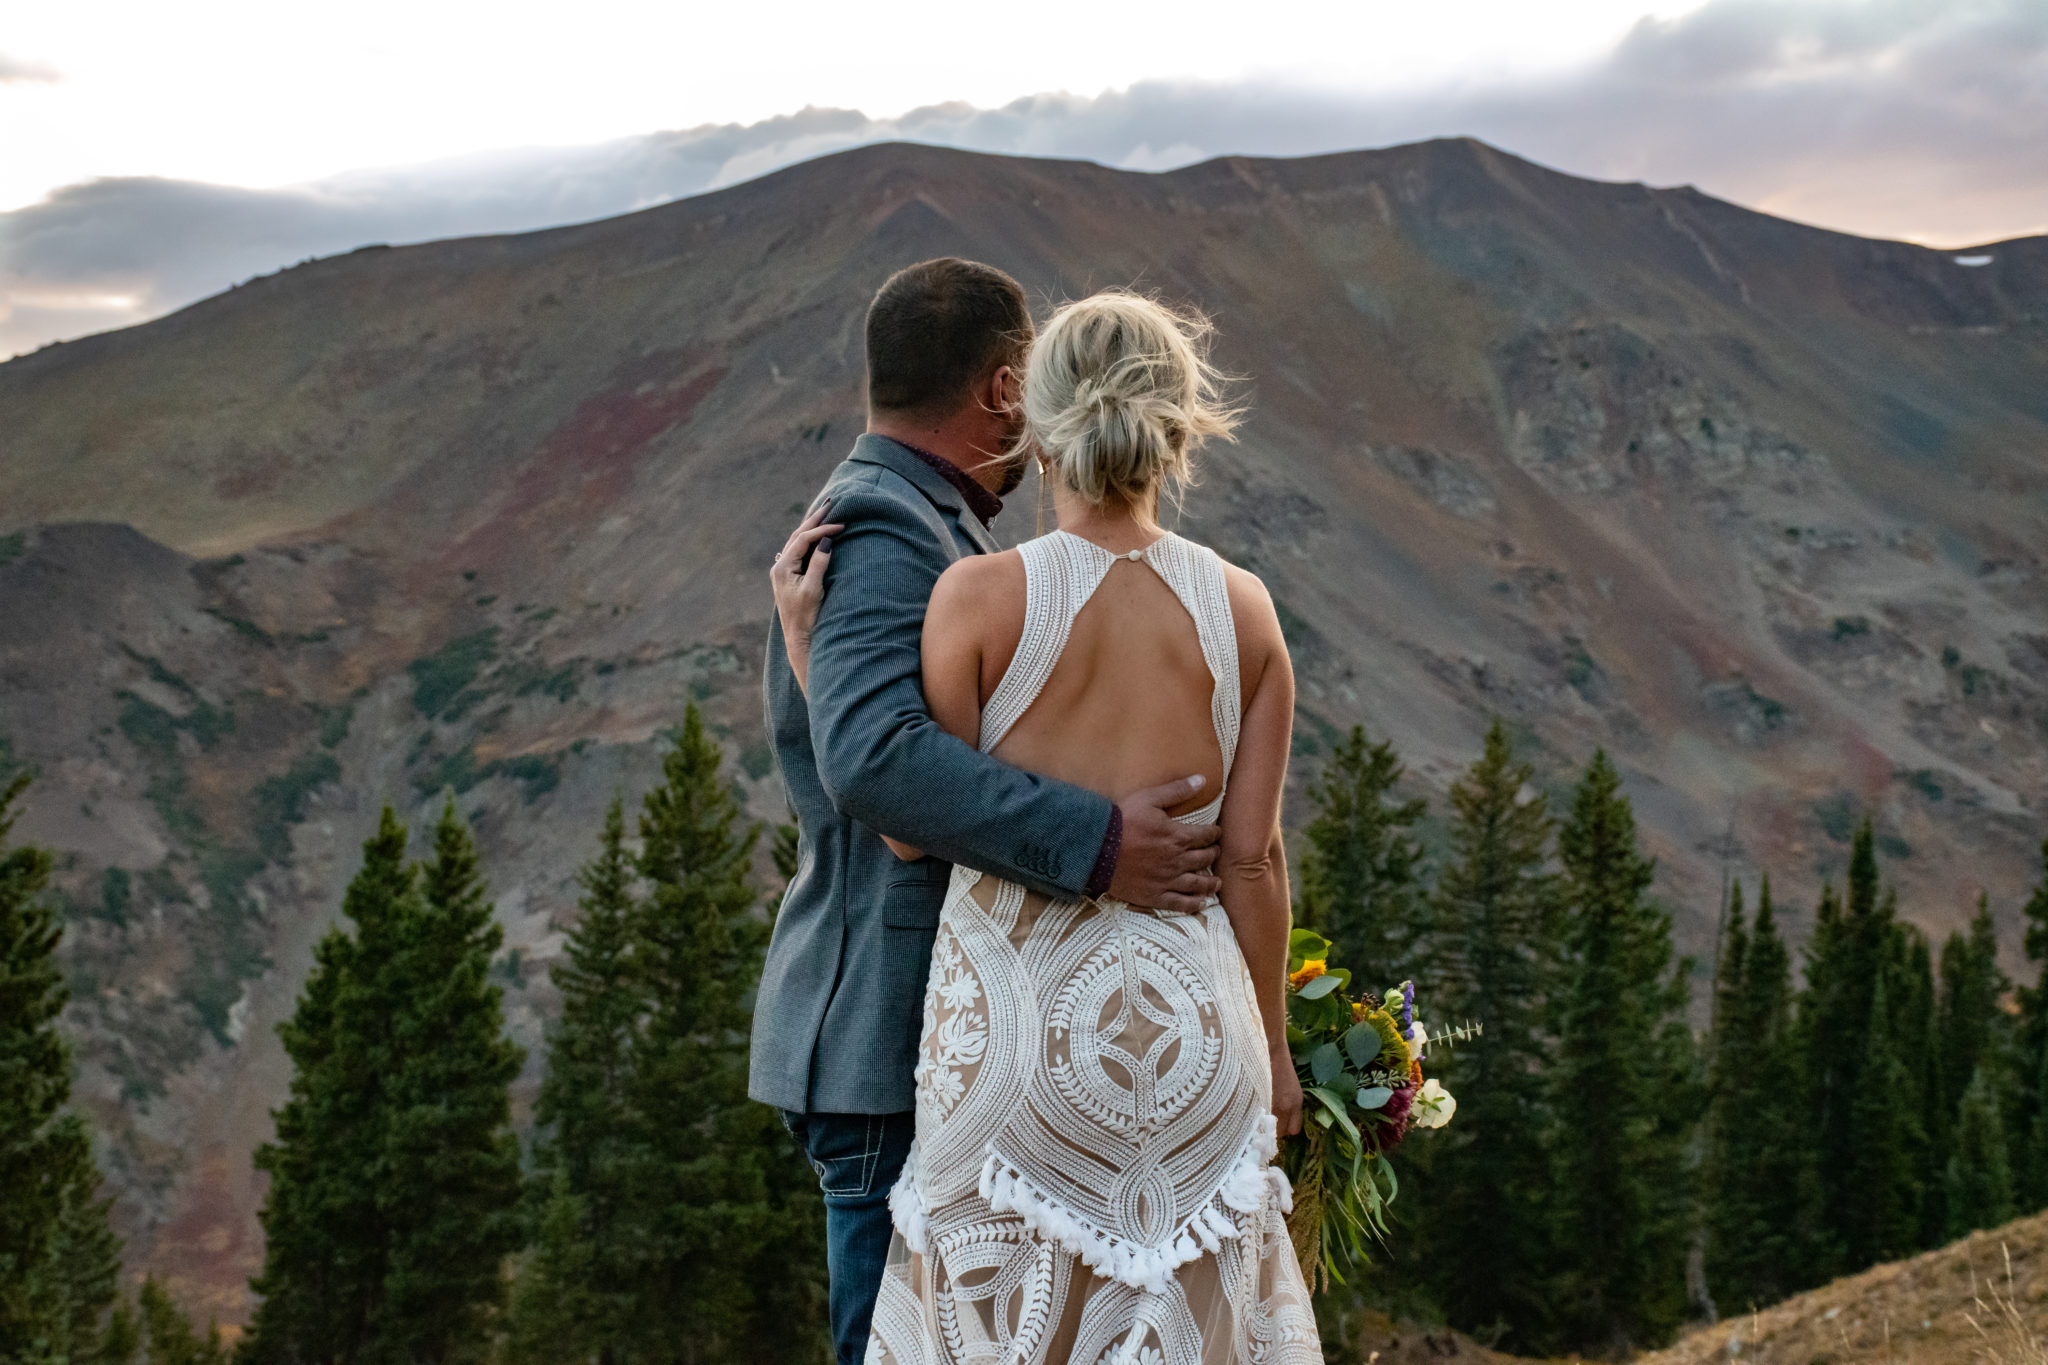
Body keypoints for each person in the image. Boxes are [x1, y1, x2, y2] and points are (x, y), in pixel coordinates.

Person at [773, 290, 1319, 1363]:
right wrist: (1278, 1060)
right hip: (1197, 1050)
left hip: (1016, 1053)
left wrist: (811, 665)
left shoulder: (974, 598)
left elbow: (903, 825)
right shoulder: (1244, 607)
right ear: (1178, 425)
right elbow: (1249, 862)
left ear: (1040, 417)